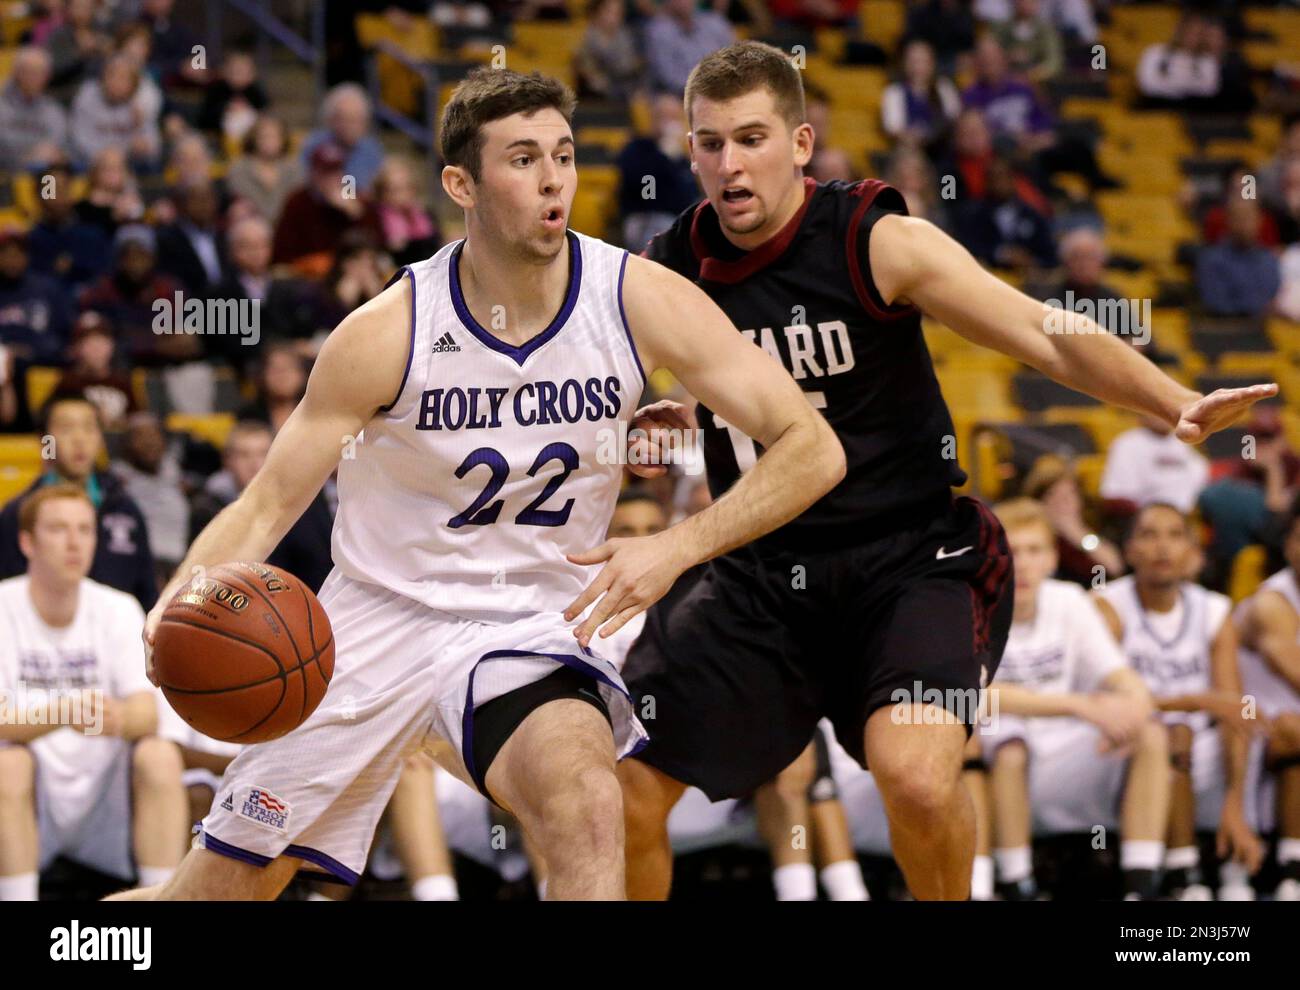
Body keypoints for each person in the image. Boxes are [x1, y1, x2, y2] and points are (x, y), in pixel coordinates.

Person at [104, 66, 843, 902]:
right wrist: (187, 591)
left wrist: (676, 545)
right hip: (371, 623)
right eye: (522, 158)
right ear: (460, 182)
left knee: (588, 803)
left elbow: (812, 447)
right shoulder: (387, 331)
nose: (553, 177)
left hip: (531, 622)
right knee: (211, 897)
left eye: (561, 155)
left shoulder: (637, 299)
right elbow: (269, 501)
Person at [617, 40, 1275, 902]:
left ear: (802, 143)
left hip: (908, 561)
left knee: (919, 777)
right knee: (621, 788)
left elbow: (1043, 330)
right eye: (709, 143)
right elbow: (590, 392)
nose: (729, 164)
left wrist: (1169, 400)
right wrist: (656, 414)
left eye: (752, 138)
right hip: (757, 573)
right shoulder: (668, 268)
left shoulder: (875, 238)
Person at [976, 498, 1168, 900]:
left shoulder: (1070, 600)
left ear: (1051, 558)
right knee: (1009, 742)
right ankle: (1016, 882)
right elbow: (974, 695)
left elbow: (1120, 675)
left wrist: (1134, 711)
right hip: (994, 749)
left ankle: (1141, 883)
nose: (1023, 563)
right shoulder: (968, 607)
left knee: (1152, 733)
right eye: (1012, 551)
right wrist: (1079, 705)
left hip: (1067, 746)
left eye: (1035, 551)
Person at [0, 483, 185, 901]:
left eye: (85, 530)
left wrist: (115, 718)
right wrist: (66, 712)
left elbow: (147, 712)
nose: (74, 542)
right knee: (7, 764)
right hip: (29, 792)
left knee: (159, 754)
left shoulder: (118, 607)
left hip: (105, 789)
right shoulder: (3, 605)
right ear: (27, 542)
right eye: (59, 529)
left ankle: (162, 898)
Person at [1094, 503, 1264, 900]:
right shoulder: (1108, 607)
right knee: (1172, 734)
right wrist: (1195, 700)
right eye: (1149, 535)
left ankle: (1236, 859)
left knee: (1243, 723)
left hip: (1197, 745)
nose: (1162, 548)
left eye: (1174, 535)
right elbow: (1109, 701)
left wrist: (1234, 803)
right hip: (1126, 739)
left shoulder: (1214, 609)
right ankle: (1177, 873)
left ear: (1192, 549)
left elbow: (1230, 705)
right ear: (1129, 549)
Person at [0, 391, 157, 609]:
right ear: (45, 441)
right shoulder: (17, 513)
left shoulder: (126, 509)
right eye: (66, 429)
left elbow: (147, 596)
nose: (79, 439)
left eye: (89, 428)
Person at [1233, 496, 1300, 901]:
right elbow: (1293, 671)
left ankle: (1292, 866)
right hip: (1250, 726)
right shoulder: (1271, 602)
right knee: (1294, 729)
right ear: (1289, 545)